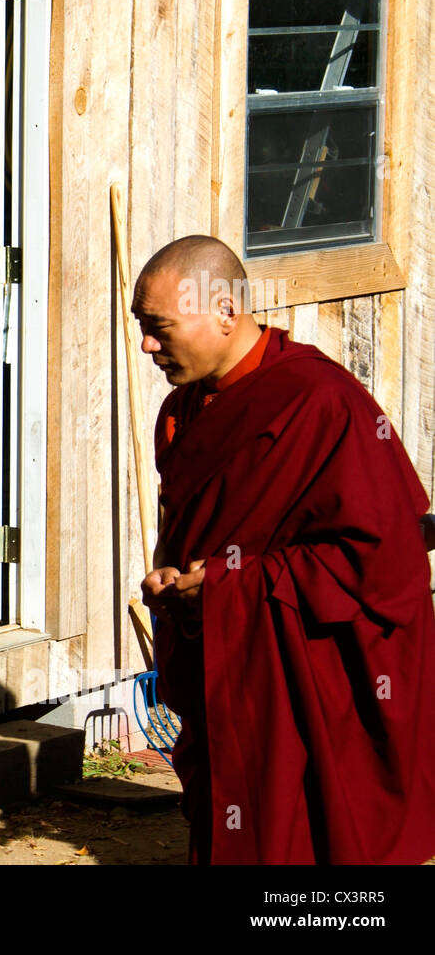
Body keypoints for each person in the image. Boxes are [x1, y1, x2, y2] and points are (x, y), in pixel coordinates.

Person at [133, 234, 435, 864]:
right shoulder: (182, 411)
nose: (147, 346)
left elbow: (385, 559)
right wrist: (178, 581)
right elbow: (204, 531)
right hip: (228, 661)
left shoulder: (320, 403)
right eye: (141, 327)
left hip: (305, 671)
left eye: (159, 327)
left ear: (224, 311)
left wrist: (233, 584)